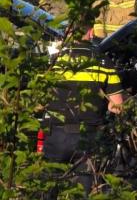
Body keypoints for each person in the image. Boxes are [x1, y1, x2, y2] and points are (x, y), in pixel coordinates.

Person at [43, 41, 126, 192]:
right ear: (90, 30)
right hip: (88, 137)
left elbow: (37, 98)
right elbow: (117, 106)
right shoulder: (103, 62)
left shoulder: (52, 60)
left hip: (55, 134)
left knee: (47, 192)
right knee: (80, 198)